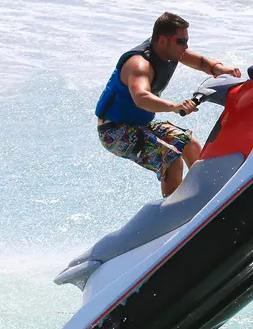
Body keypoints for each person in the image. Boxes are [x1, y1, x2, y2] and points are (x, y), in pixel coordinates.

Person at [95, 12, 241, 197]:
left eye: (186, 41)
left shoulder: (172, 51)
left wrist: (220, 69)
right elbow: (141, 97)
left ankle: (209, 194)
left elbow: (201, 62)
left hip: (141, 124)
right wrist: (174, 106)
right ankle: (175, 213)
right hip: (114, 131)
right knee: (171, 160)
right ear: (163, 40)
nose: (185, 46)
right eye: (181, 41)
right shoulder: (139, 64)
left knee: (190, 144)